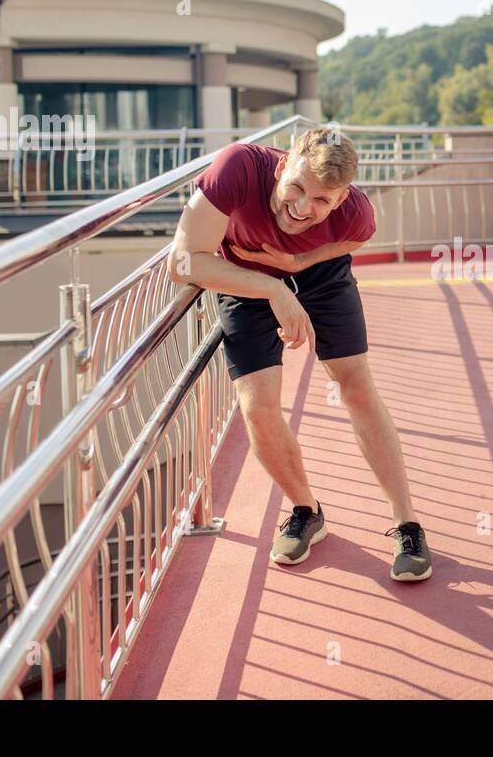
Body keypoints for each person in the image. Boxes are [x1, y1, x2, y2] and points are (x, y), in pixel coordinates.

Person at [166, 125, 432, 582]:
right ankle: (307, 510)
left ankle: (408, 524)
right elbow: (183, 262)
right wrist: (273, 287)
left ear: (343, 197)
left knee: (355, 385)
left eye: (323, 201)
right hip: (243, 274)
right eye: (297, 188)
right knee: (258, 408)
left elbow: (354, 240)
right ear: (283, 163)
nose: (303, 207)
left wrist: (298, 265)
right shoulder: (237, 169)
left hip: (320, 274)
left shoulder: (356, 213)